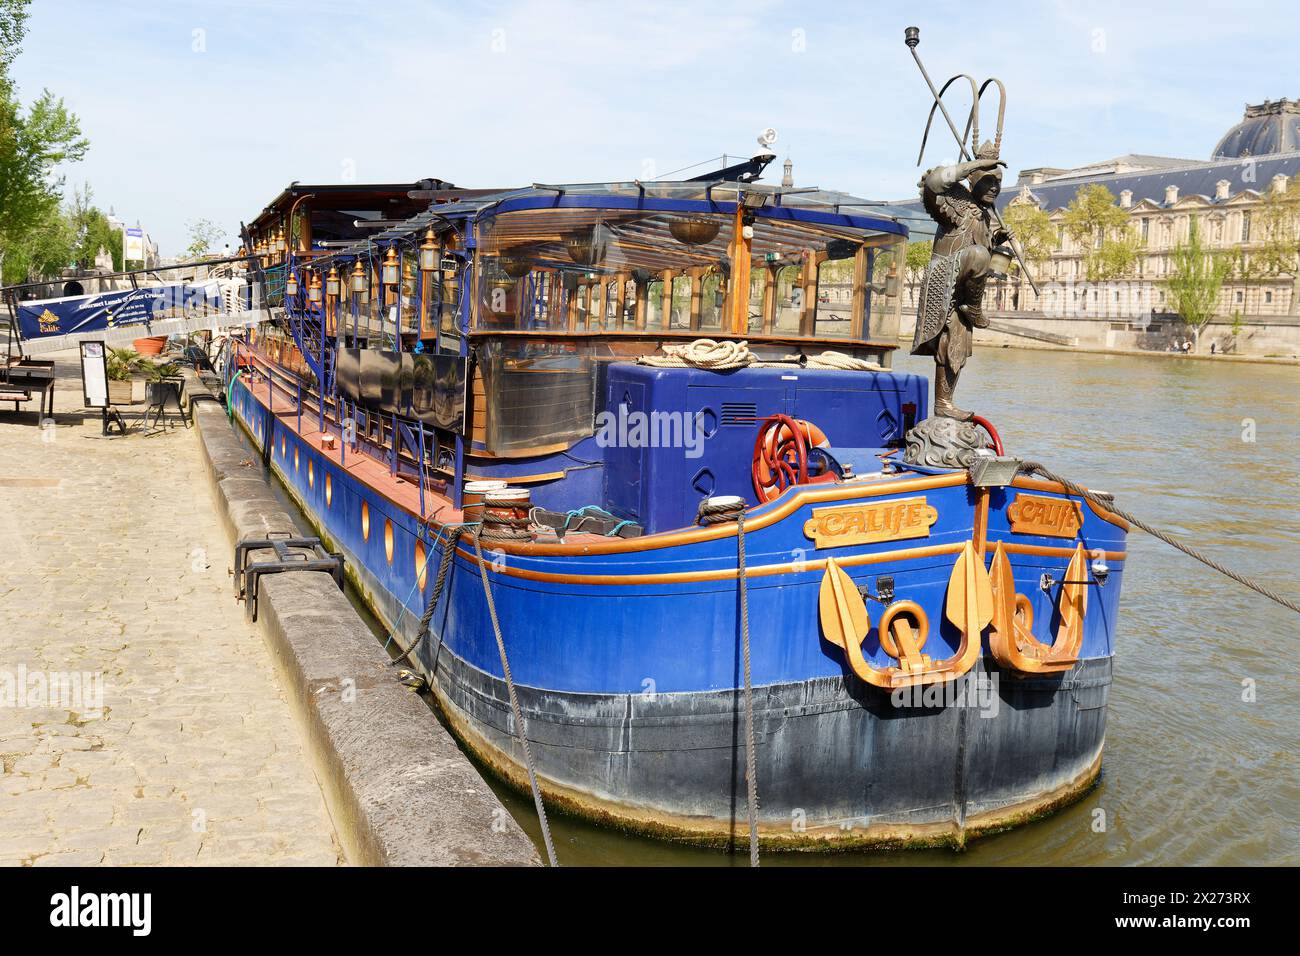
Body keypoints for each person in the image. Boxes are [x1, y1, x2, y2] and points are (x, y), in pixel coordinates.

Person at [912, 142, 1012, 420]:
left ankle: (944, 403)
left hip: (962, 288)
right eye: (988, 180)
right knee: (979, 255)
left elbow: (982, 261)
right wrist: (975, 164)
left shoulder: (984, 217)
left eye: (999, 183)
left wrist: (996, 243)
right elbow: (934, 182)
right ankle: (975, 308)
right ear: (973, 178)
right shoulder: (955, 200)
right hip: (945, 277)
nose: (995, 188)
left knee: (955, 345)